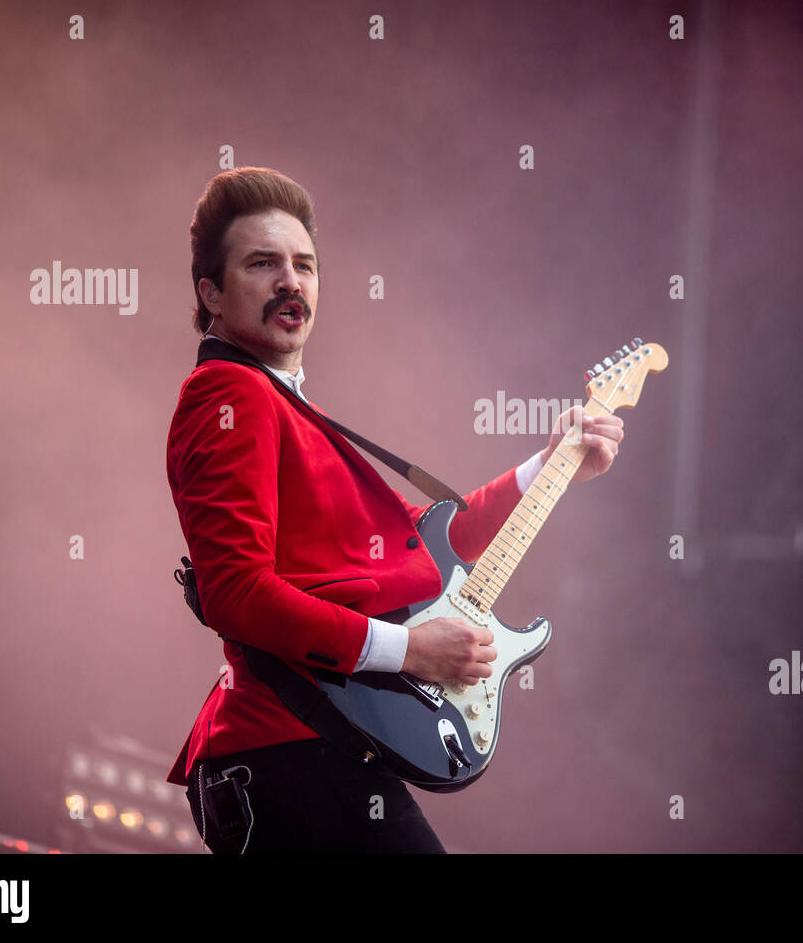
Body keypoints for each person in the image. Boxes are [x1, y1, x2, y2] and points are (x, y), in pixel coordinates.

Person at [165, 167, 623, 852]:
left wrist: (552, 464)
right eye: (263, 264)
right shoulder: (230, 395)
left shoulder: (289, 408)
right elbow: (235, 593)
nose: (291, 281)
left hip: (316, 747)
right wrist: (410, 650)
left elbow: (427, 541)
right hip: (281, 748)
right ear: (211, 293)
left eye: (305, 265)